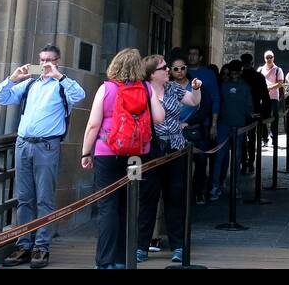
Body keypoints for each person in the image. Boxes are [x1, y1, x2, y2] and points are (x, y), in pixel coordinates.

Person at [0, 43, 86, 268]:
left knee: (44, 197)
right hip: (23, 144)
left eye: (49, 60)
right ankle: (24, 244)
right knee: (25, 198)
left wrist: (60, 76)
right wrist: (12, 78)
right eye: (42, 59)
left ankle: (41, 247)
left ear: (57, 61)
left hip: (47, 146)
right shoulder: (30, 84)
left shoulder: (63, 86)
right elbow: (1, 97)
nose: (45, 64)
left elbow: (80, 94)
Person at [80, 47, 165, 269]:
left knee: (108, 206)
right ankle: (123, 259)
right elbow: (159, 118)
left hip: (107, 154)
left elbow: (93, 125)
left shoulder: (106, 88)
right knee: (129, 203)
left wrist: (86, 152)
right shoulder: (146, 88)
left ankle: (105, 261)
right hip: (137, 156)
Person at [135, 54, 202, 264]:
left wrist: (197, 88)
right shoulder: (141, 90)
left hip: (175, 148)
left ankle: (178, 246)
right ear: (152, 73)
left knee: (176, 196)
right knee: (147, 199)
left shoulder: (173, 88)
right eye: (164, 68)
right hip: (149, 149)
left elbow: (192, 102)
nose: (168, 71)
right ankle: (140, 246)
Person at [211, 60, 255, 199]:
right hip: (230, 125)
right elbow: (248, 107)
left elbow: (248, 106)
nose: (234, 75)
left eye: (235, 72)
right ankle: (220, 185)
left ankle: (220, 186)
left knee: (228, 157)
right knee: (225, 157)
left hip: (232, 125)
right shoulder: (233, 86)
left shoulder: (227, 86)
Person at [185, 46, 220, 202]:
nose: (192, 57)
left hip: (202, 124)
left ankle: (199, 190)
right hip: (180, 124)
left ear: (200, 57)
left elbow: (215, 98)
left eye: (195, 54)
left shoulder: (207, 74)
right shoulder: (182, 72)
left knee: (200, 159)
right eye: (190, 54)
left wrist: (213, 123)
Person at [240, 51, 270, 170]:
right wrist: (264, 113)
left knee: (241, 137)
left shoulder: (240, 77)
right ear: (252, 63)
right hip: (255, 110)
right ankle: (251, 162)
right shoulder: (259, 76)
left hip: (241, 111)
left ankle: (243, 161)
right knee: (252, 138)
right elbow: (265, 97)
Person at [258, 50, 285, 151]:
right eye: (267, 57)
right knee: (262, 118)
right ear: (264, 59)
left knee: (274, 119)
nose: (269, 59)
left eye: (271, 57)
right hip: (263, 98)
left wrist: (269, 88)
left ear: (273, 58)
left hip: (273, 98)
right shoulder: (260, 69)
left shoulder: (278, 70)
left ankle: (274, 139)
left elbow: (280, 83)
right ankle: (264, 138)